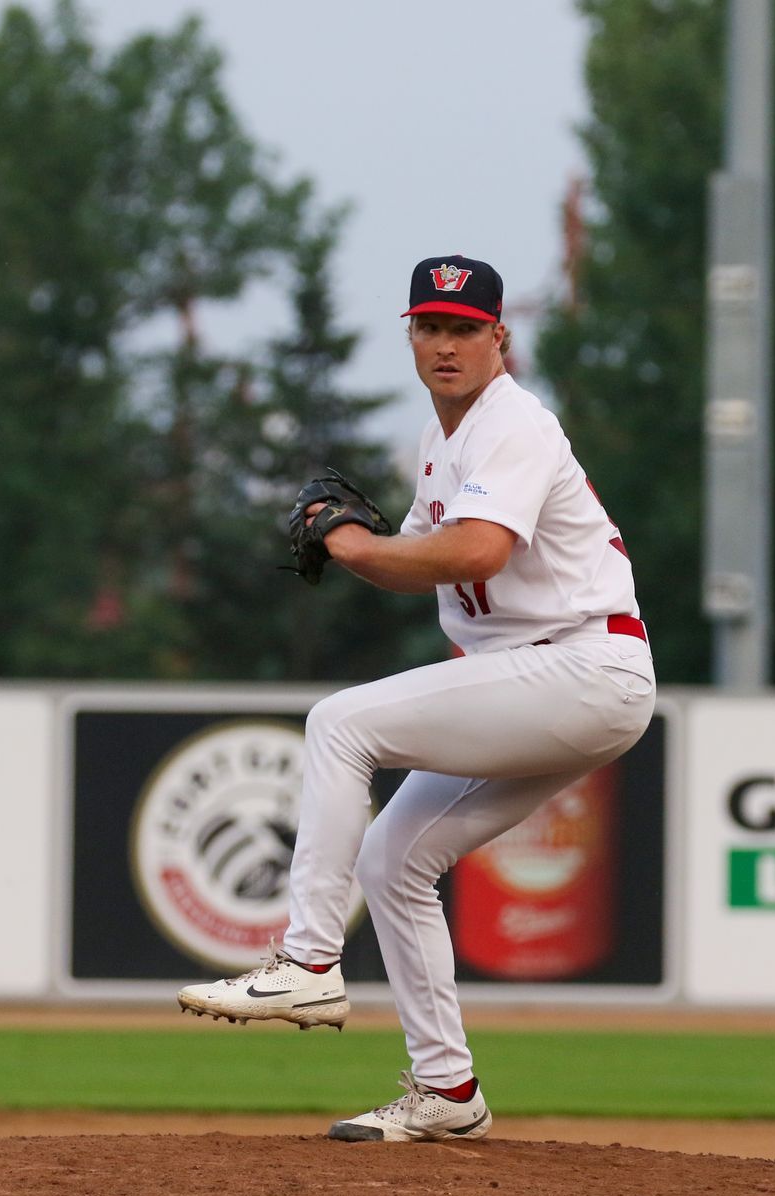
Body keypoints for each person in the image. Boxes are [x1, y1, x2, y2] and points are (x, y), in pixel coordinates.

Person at [178, 255, 655, 1142]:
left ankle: (310, 960)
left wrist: (353, 546)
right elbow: (418, 560)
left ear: (498, 338)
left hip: (584, 666)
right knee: (394, 860)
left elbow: (473, 553)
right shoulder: (446, 441)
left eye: (465, 329)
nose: (446, 344)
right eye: (430, 327)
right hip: (551, 677)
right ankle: (448, 1093)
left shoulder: (512, 423)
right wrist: (360, 542)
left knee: (338, 721)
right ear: (409, 334)